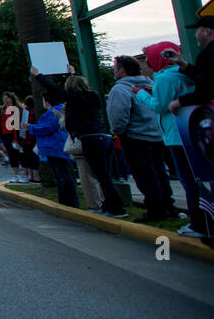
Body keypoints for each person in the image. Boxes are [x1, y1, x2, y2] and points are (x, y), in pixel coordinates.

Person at [32, 65, 128, 218]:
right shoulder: (93, 97)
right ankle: (107, 205)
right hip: (105, 137)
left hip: (90, 138)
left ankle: (117, 208)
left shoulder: (75, 99)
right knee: (104, 175)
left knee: (100, 176)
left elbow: (56, 90)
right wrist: (73, 74)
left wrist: (38, 75)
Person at [135, 42, 209, 238]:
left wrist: (141, 94)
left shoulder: (164, 79)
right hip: (196, 131)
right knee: (201, 179)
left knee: (189, 182)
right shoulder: (187, 74)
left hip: (177, 134)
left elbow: (160, 106)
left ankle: (198, 223)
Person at [106, 54, 178, 223]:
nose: (114, 71)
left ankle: (155, 209)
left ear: (122, 71)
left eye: (115, 68)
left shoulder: (120, 89)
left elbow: (118, 116)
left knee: (145, 176)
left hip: (135, 137)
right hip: (157, 136)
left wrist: (117, 131)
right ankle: (168, 206)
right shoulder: (150, 84)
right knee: (160, 173)